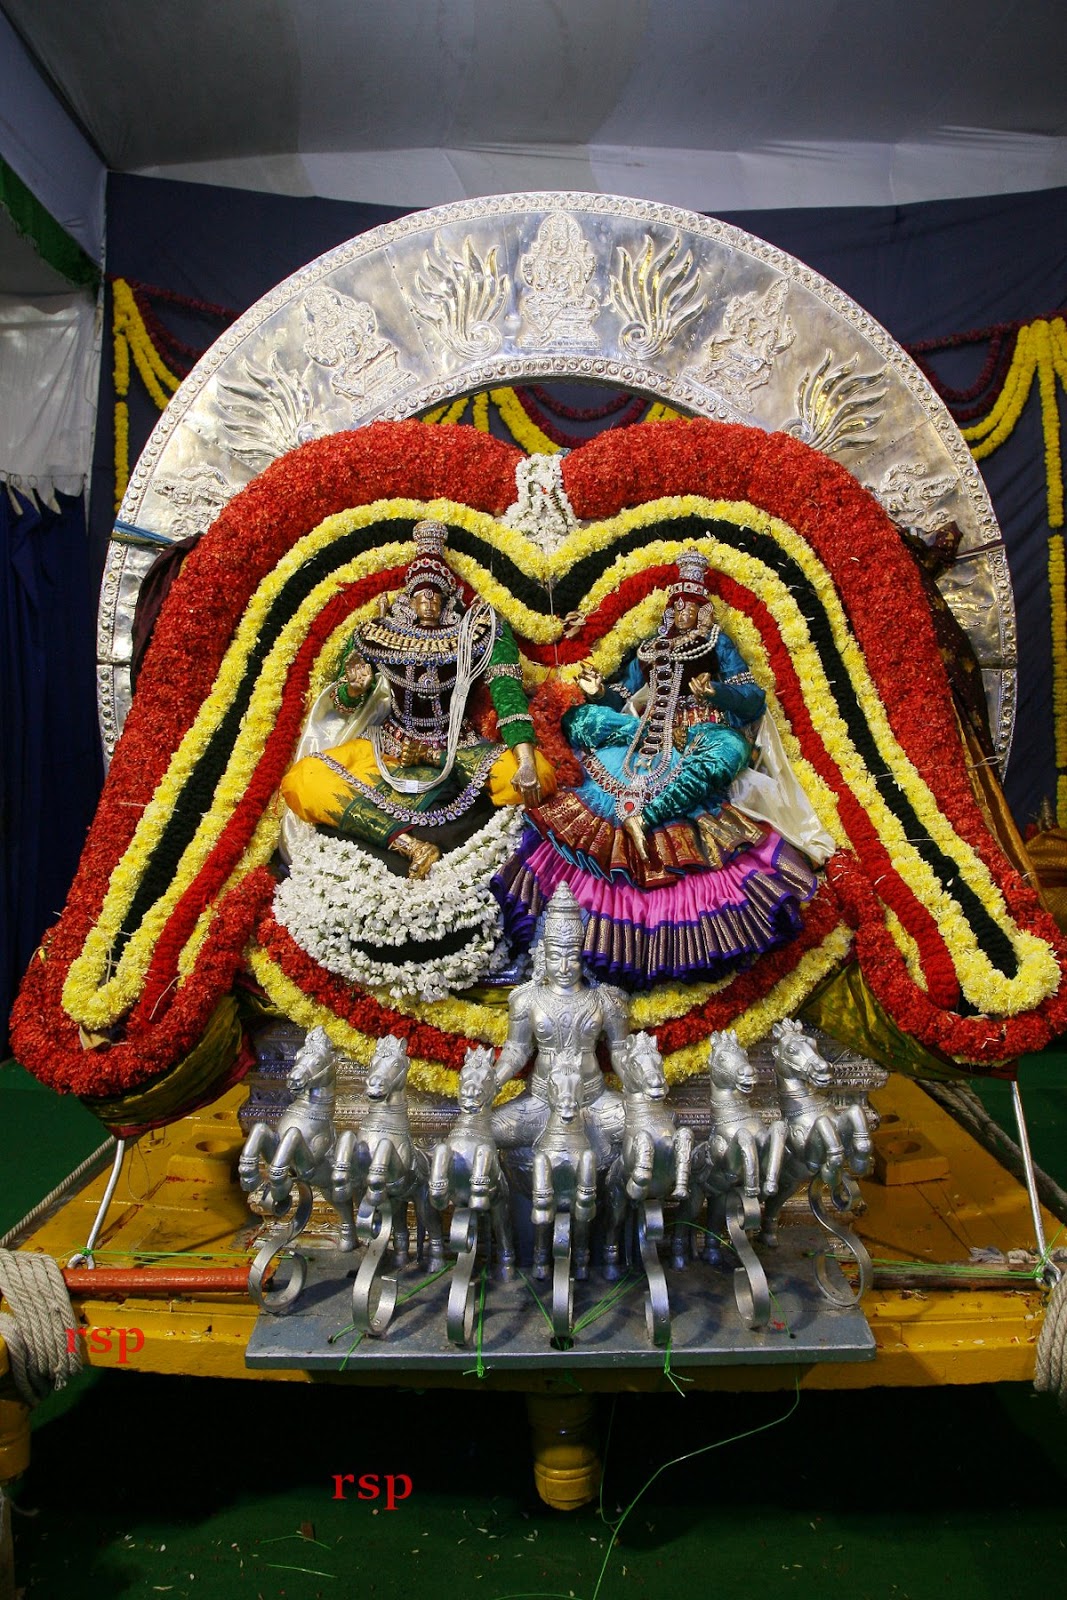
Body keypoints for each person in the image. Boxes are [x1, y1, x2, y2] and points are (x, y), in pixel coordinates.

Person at [493, 548, 822, 988]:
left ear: (704, 611)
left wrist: (717, 693)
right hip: (645, 731)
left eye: (691, 606)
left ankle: (645, 815)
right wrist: (598, 694)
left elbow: (752, 701)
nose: (683, 612)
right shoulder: (650, 648)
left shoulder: (717, 643)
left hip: (698, 731)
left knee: (725, 752)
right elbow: (626, 694)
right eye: (677, 605)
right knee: (581, 718)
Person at [281, 519, 554, 877]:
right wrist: (354, 688)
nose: (429, 600)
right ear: (408, 598)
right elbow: (344, 705)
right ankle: (408, 844)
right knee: (302, 780)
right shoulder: (378, 633)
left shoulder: (479, 631)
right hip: (388, 747)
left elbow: (509, 700)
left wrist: (526, 759)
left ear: (448, 597)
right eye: (421, 593)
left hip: (456, 747)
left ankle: (435, 773)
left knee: (543, 775)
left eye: (436, 592)